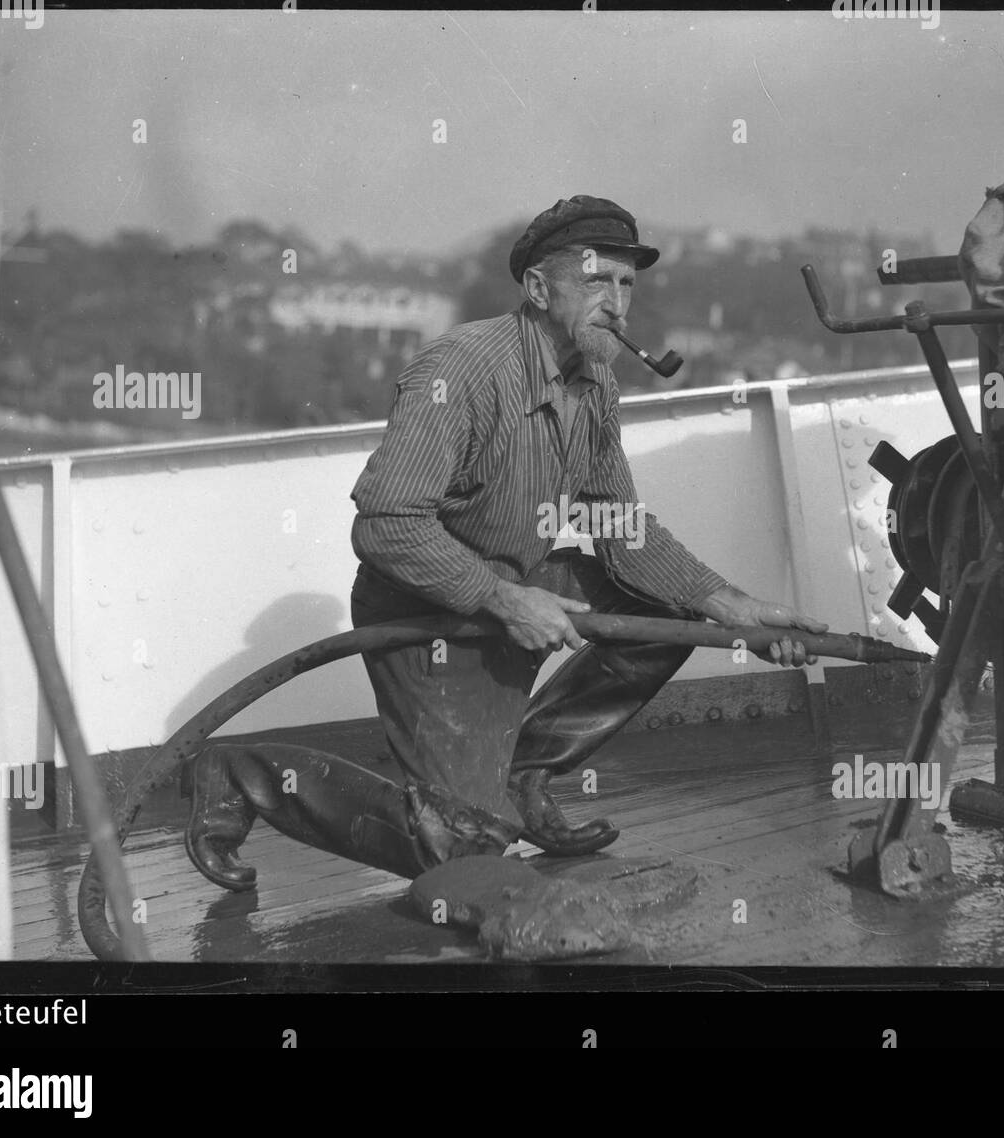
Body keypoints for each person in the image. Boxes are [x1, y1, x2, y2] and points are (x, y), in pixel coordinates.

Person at [184, 195, 828, 892]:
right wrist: (502, 600)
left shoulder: (596, 381)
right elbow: (384, 524)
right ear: (539, 289)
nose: (616, 303)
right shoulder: (460, 370)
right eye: (595, 281)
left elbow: (620, 531)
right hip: (426, 611)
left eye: (626, 284)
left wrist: (735, 607)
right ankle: (240, 777)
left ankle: (524, 777)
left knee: (665, 614)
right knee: (455, 854)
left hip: (519, 583)